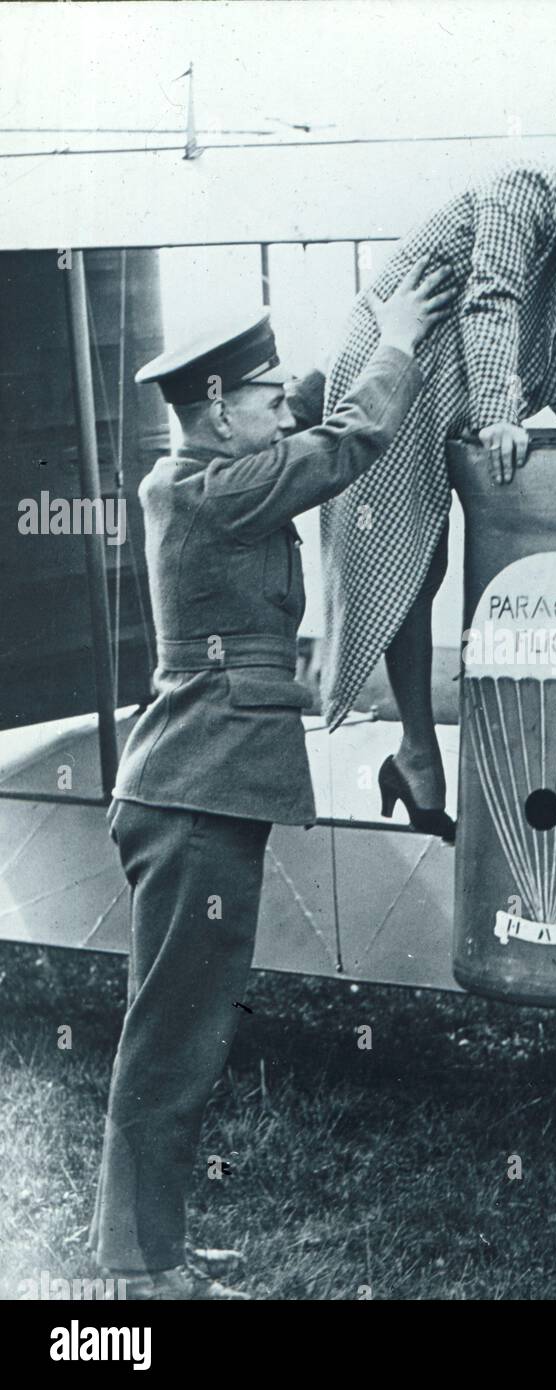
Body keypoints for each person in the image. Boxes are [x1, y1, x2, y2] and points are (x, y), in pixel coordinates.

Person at [88, 261, 454, 1300]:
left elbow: (303, 418)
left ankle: (149, 1248)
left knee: (173, 1031)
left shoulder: (204, 475)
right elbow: (346, 444)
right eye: (259, 391)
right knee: (173, 1039)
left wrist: (367, 336)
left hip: (197, 789)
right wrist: (394, 341)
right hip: (198, 793)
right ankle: (142, 1272)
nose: (278, 401)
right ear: (212, 403)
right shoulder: (219, 491)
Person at [320, 164, 556, 838]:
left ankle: (416, 758)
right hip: (395, 364)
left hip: (457, 377)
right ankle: (416, 752)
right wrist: (502, 415)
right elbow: (491, 302)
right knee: (405, 563)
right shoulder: (518, 198)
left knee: (425, 565)